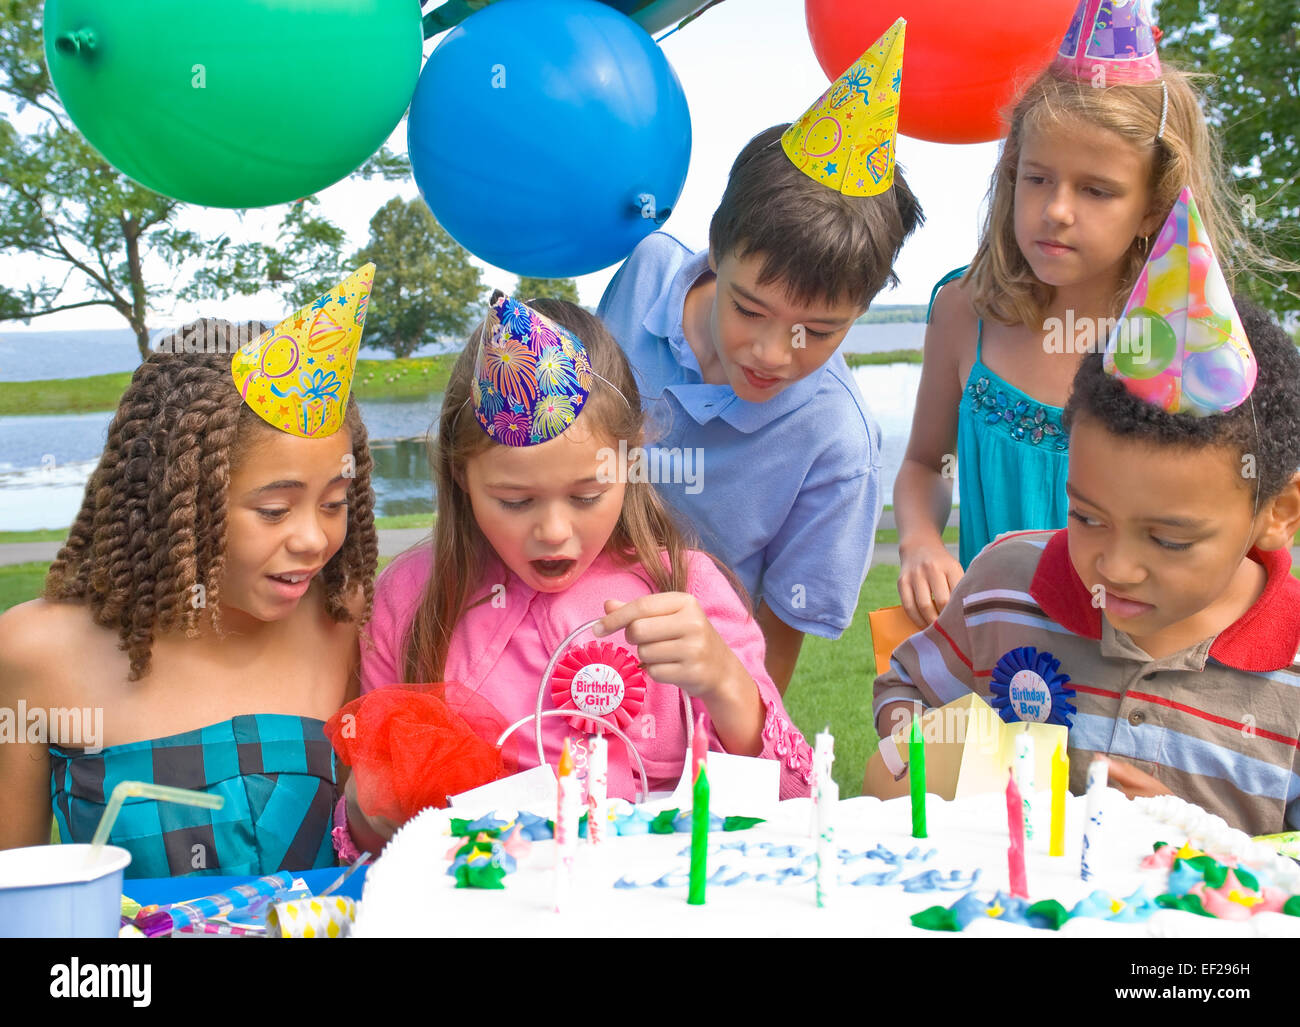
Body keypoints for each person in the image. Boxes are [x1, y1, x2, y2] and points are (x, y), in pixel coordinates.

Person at [338, 295, 813, 855]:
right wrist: (372, 809)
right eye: (515, 501)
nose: (555, 532)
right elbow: (369, 850)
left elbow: (795, 800)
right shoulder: (410, 600)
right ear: (461, 477)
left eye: (588, 495)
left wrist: (727, 685)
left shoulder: (689, 591)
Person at [871, 262, 1300, 836]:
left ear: (1278, 514)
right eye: (1086, 516)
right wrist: (953, 764)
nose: (1114, 568)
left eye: (1169, 539)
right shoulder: (1003, 589)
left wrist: (1201, 842)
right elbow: (907, 692)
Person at [0, 267, 380, 878]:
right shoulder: (35, 652)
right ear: (175, 501)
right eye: (274, 510)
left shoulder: (349, 621)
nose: (314, 539)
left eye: (335, 502)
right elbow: (14, 895)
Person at [893, 0, 1252, 627]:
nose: (1056, 210)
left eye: (1095, 189)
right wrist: (921, 540)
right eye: (1037, 179)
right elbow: (926, 462)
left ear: (1151, 207)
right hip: (998, 648)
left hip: (1133, 664)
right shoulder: (963, 312)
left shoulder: (1189, 341)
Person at [598, 21, 924, 692]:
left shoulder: (837, 444)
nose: (773, 353)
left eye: (820, 329)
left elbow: (768, 672)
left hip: (687, 700)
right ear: (718, 249)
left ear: (861, 310)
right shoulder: (644, 276)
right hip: (560, 643)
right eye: (749, 308)